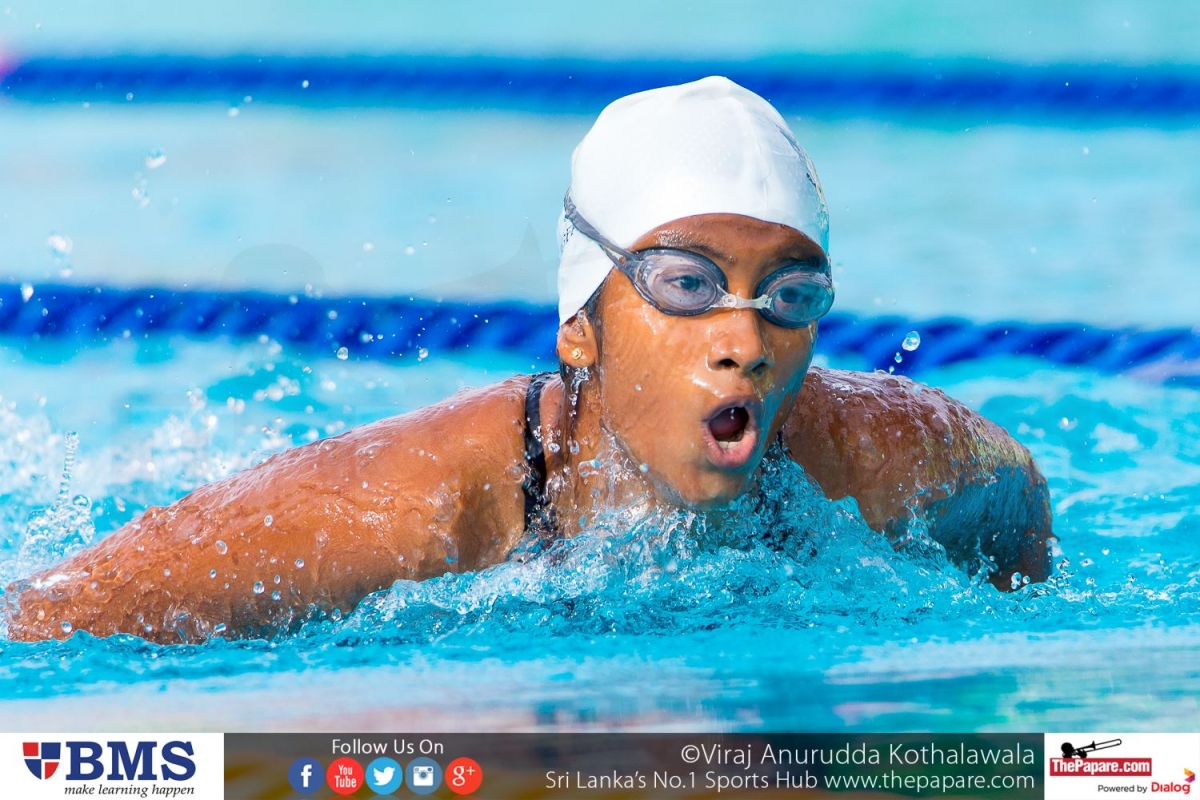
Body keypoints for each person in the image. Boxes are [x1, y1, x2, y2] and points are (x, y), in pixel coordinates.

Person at [3, 77, 1052, 644]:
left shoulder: (880, 453)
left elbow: (1019, 505)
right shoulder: (414, 509)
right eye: (685, 283)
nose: (744, 340)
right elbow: (49, 618)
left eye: (790, 295)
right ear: (579, 325)